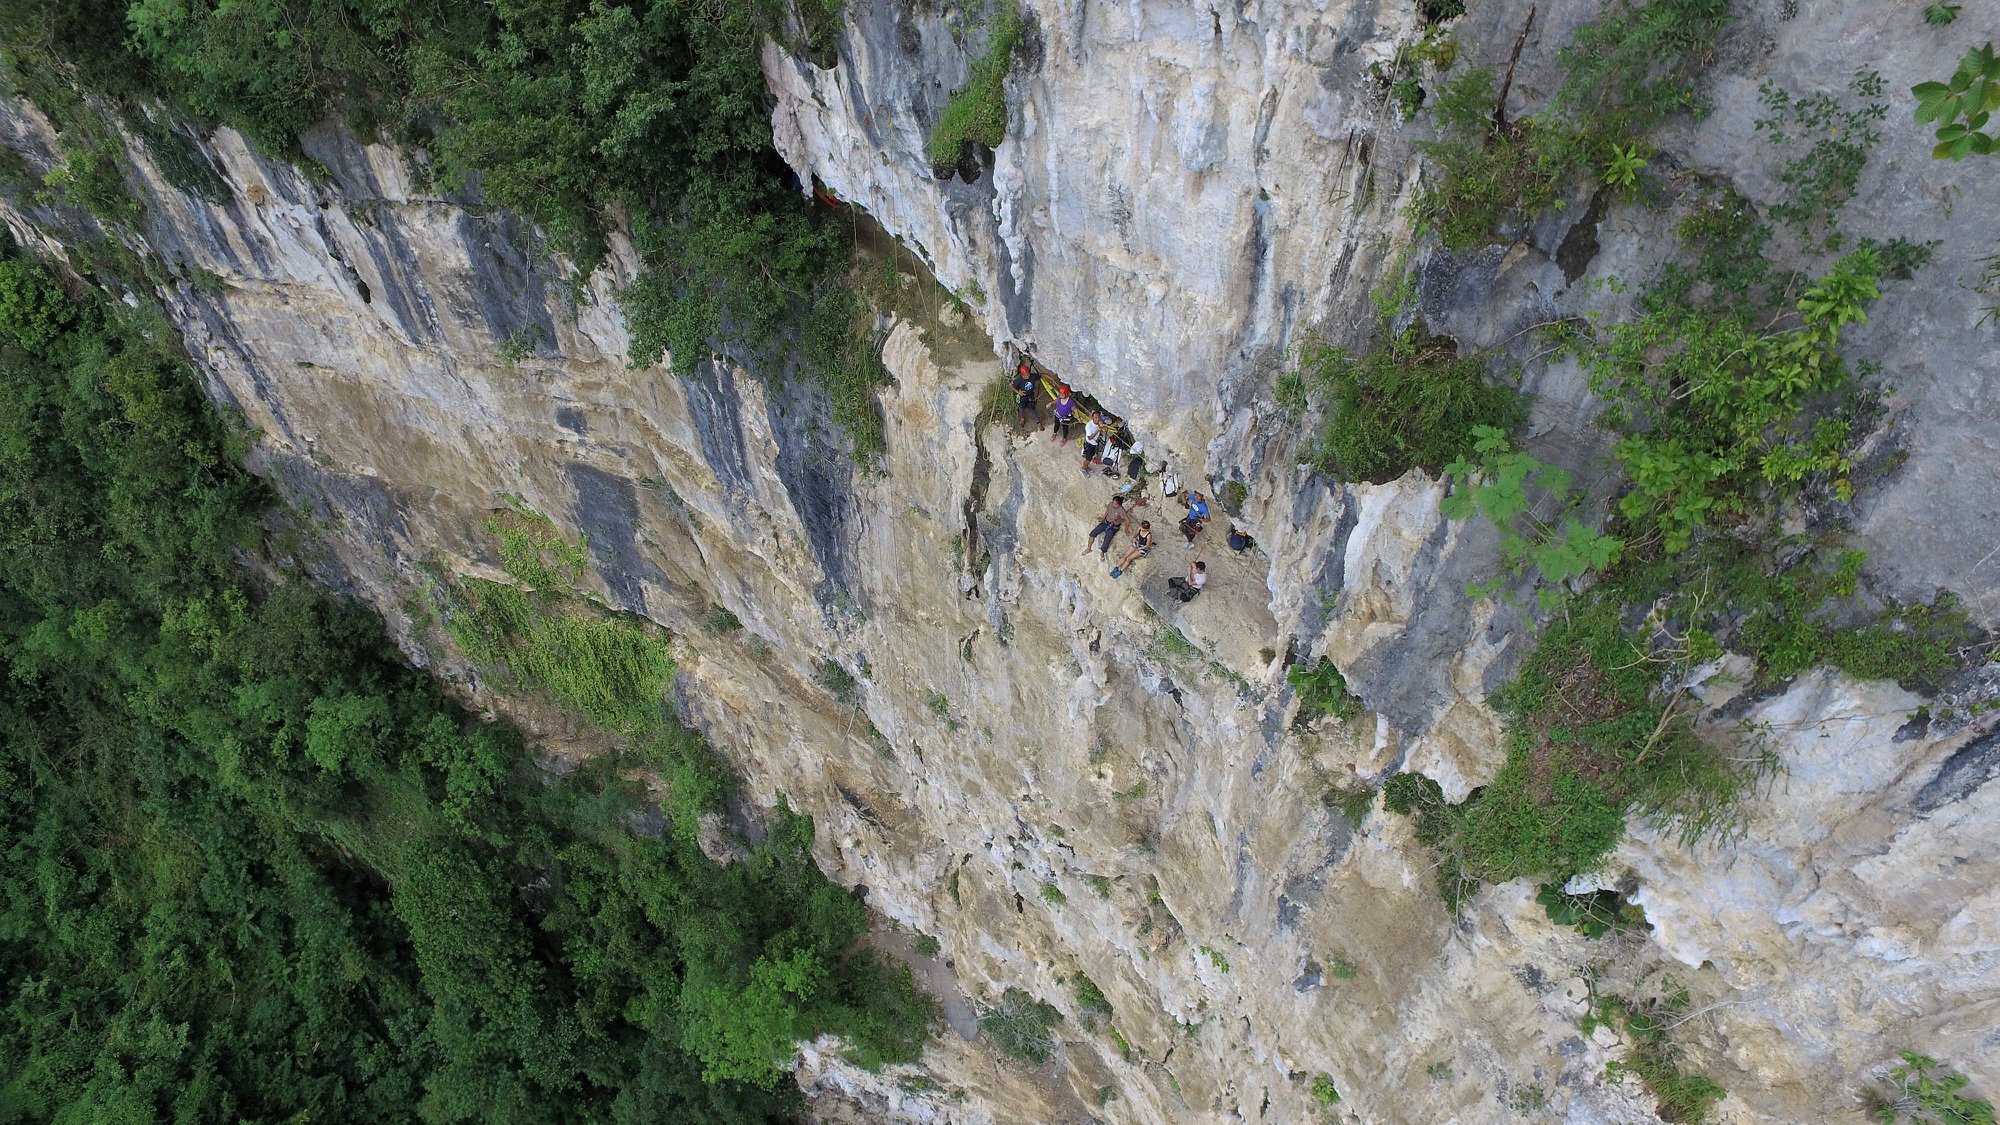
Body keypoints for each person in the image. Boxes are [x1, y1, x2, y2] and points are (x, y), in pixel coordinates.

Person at [1011, 363, 1038, 430]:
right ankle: (1022, 418)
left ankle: (1038, 421)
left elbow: (1041, 375)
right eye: (1026, 375)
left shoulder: (1032, 376)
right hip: (1022, 397)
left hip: (1030, 395)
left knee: (1032, 407)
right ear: (1022, 375)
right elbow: (1010, 385)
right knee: (1021, 407)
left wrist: (1051, 379)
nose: (1028, 376)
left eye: (1028, 374)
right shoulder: (1019, 380)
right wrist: (1018, 392)